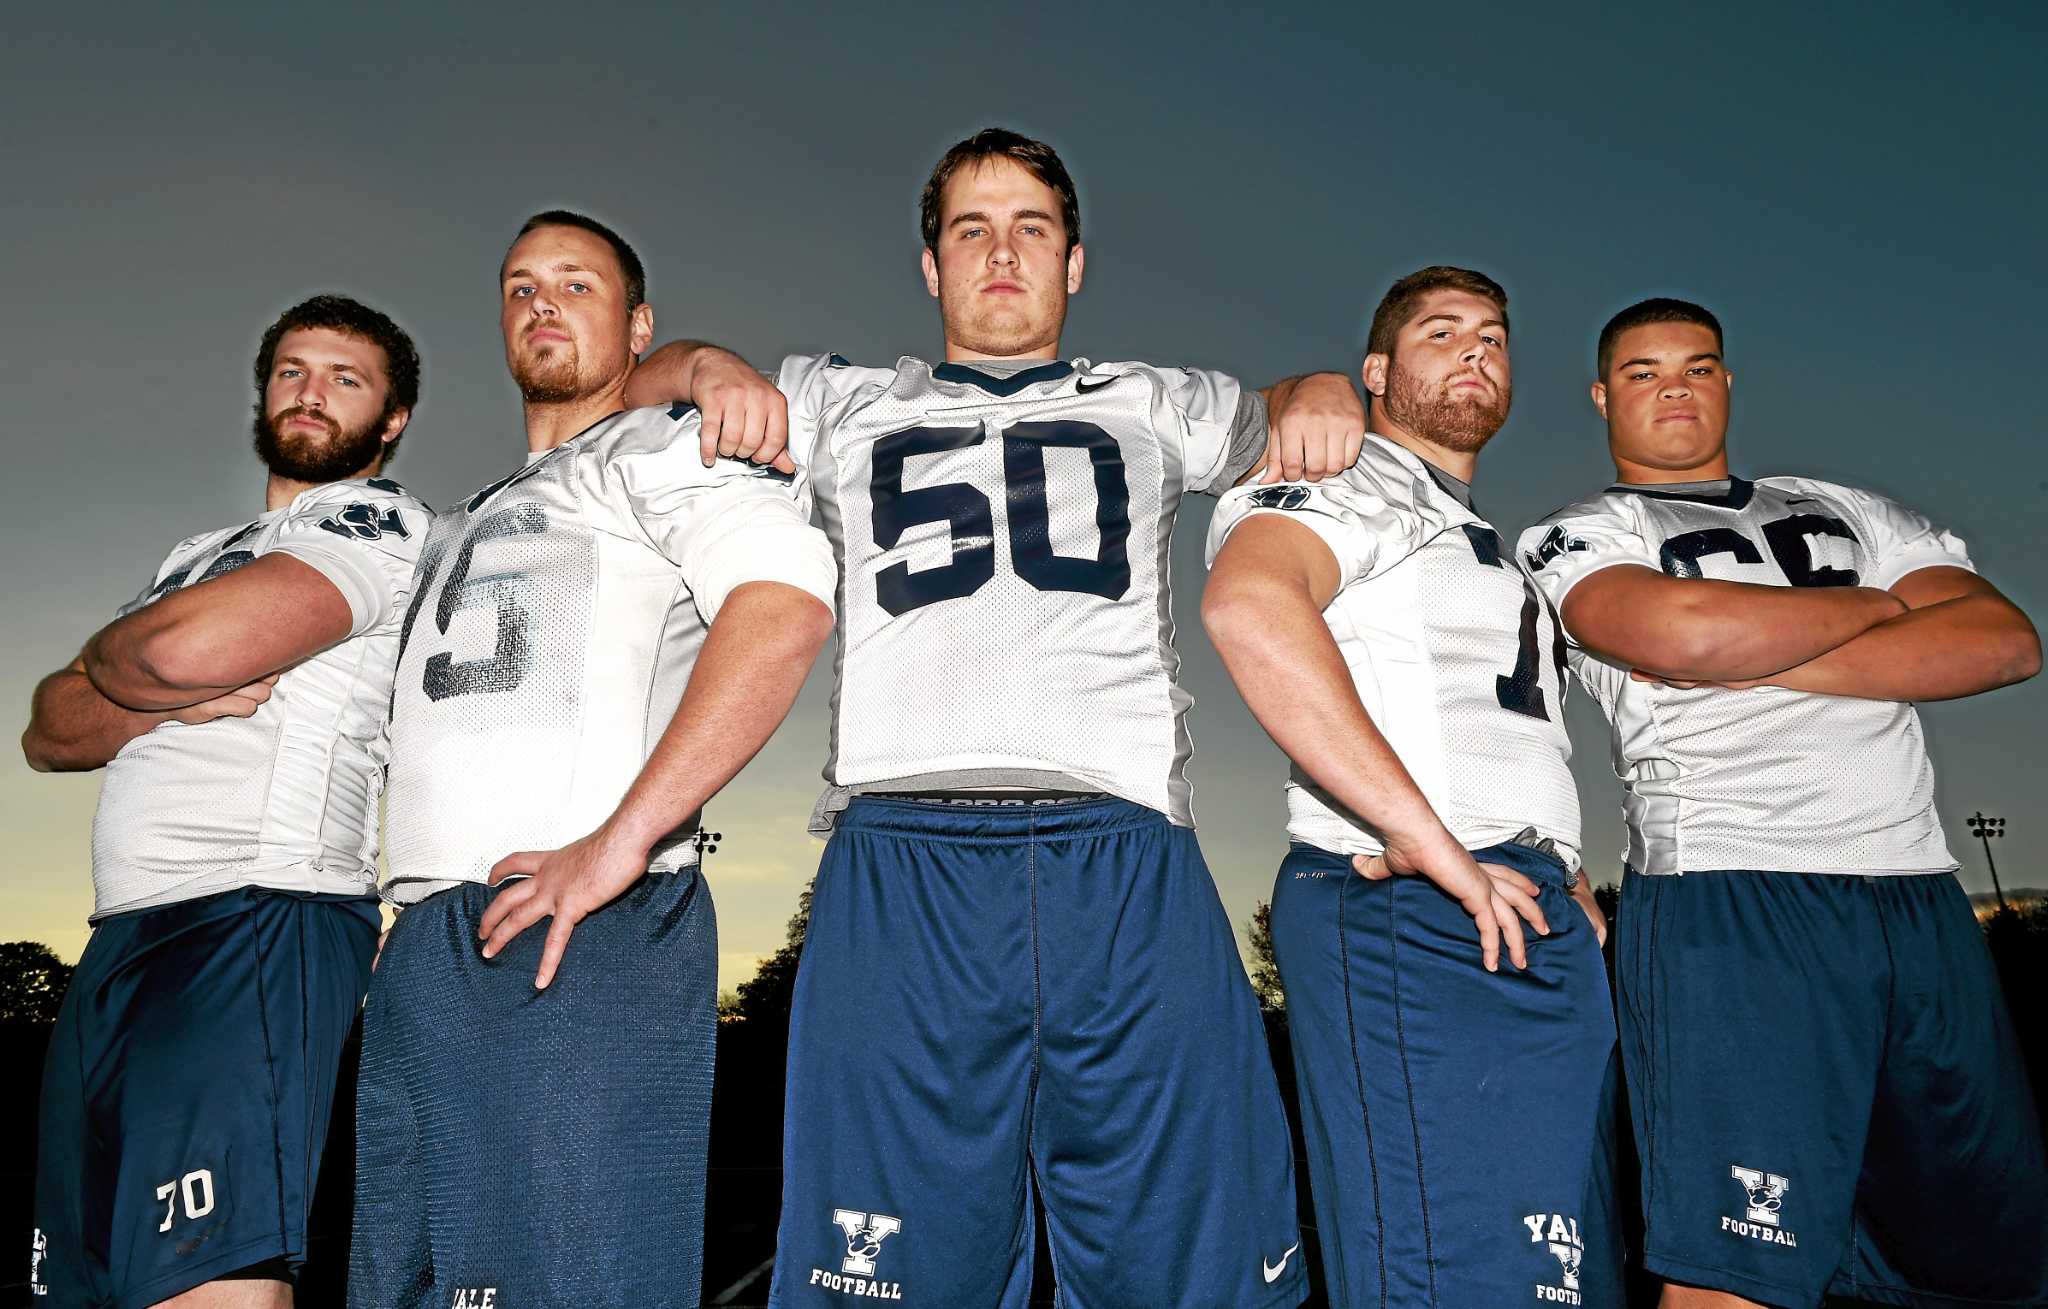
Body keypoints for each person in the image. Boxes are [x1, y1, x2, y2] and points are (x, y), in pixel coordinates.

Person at [626, 127, 1363, 1308]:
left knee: (1190, 1255)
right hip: (901, 851)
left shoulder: (1151, 400)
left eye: (1031, 228)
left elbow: (1281, 406)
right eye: (971, 229)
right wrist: (709, 364)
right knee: (885, 1266)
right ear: (931, 267)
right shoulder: (839, 399)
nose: (1001, 252)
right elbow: (644, 375)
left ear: (1075, 263)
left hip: (1121, 849)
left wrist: (1318, 386)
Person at [348, 211, 837, 1309]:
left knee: (573, 1287)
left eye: (575, 284)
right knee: (405, 1286)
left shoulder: (661, 446)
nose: (540, 303)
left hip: (580, 927)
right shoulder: (463, 515)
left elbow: (785, 610)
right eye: (520, 286)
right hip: (431, 942)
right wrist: (409, 908)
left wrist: (624, 841)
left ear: (637, 325)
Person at [1519, 297, 2047, 1309]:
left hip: (1918, 897)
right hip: (1730, 897)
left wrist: (1747, 648)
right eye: (1641, 371)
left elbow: (2000, 642)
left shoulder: (1848, 505)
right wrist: (1876, 610)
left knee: (1973, 1256)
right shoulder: (1583, 529)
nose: (1672, 384)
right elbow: (1669, 633)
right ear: (1599, 395)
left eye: (1695, 365)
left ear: (1725, 381)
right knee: (1735, 1271)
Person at [1203, 265, 1621, 1308]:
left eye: (1493, 333)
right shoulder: (1354, 476)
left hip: (1515, 896)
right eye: (1440, 333)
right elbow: (1248, 607)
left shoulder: (1473, 529)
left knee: (1553, 1267)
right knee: (1464, 1273)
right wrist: (1431, 843)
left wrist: (1559, 866)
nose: (1476, 349)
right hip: (1416, 902)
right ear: (1377, 372)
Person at [23, 295, 429, 1307]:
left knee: (209, 1280)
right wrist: (163, 686)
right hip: (122, 938)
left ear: (391, 421)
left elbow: (169, 652)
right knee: (87, 1279)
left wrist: (137, 667)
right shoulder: (196, 553)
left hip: (255, 918)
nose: (311, 392)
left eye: (347, 378)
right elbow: (47, 726)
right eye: (293, 369)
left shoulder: (375, 520)